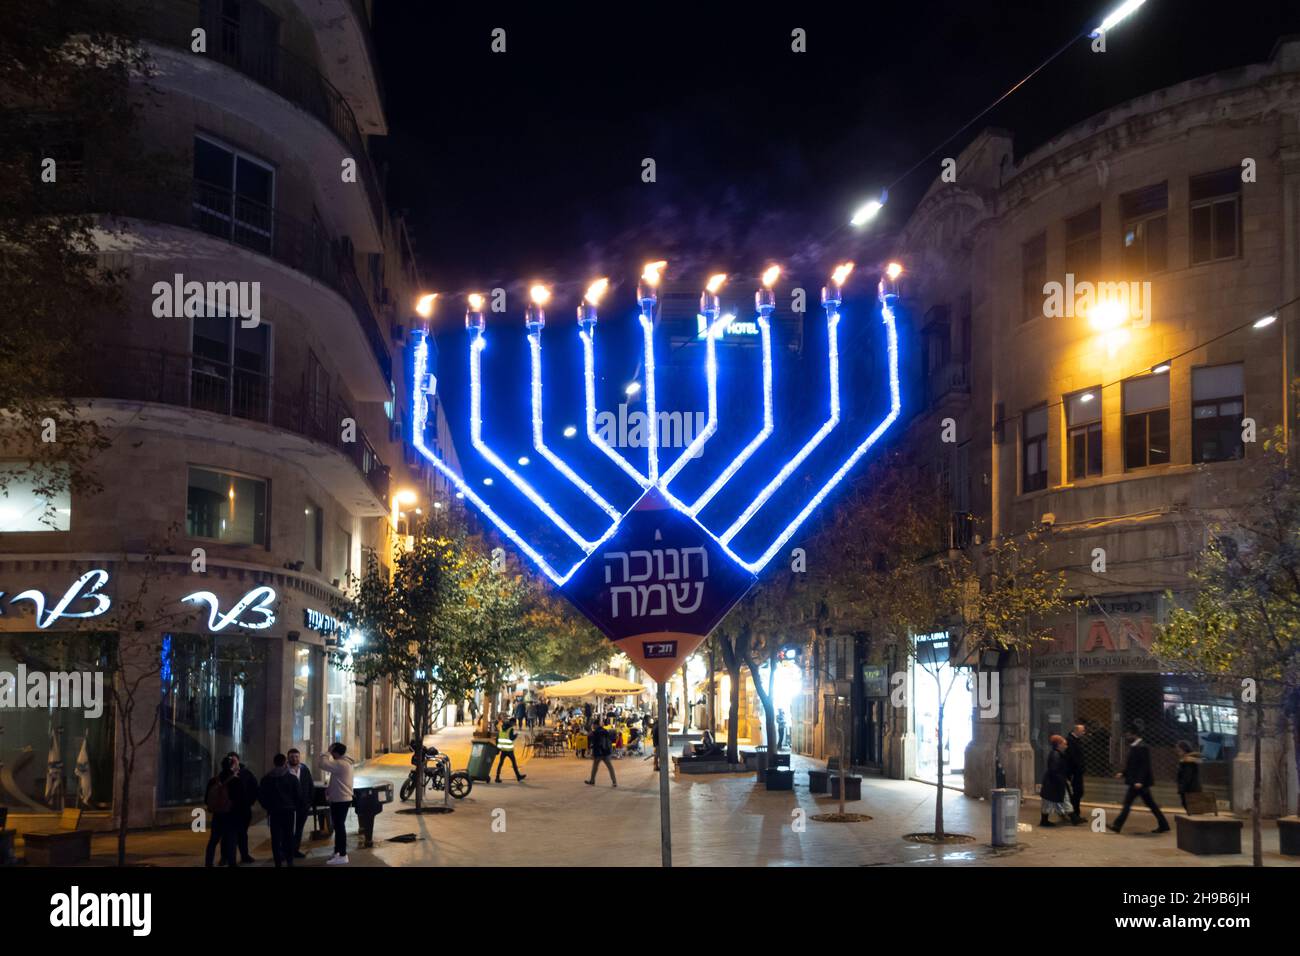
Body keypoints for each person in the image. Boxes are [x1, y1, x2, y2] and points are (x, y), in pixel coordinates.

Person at [1108, 729, 1170, 834]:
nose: (1127, 738)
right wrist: (1123, 773)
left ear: (1134, 735)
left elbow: (1143, 766)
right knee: (1151, 804)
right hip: (1138, 782)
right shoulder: (1136, 746)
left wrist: (1139, 781)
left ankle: (1117, 826)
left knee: (1128, 804)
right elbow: (1133, 765)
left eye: (1128, 735)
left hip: (1138, 782)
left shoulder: (1141, 747)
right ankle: (1164, 824)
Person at [316, 742, 355, 864]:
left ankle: (342, 854)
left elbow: (322, 764)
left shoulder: (341, 764)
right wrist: (330, 788)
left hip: (341, 800)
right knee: (339, 827)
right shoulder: (344, 763)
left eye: (332, 752)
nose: (331, 754)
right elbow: (336, 779)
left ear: (336, 753)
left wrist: (326, 752)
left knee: (339, 827)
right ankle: (338, 852)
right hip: (340, 798)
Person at [258, 754, 299, 867]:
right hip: (288, 812)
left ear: (274, 763)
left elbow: (261, 796)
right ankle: (290, 861)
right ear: (285, 763)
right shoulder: (292, 778)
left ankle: (278, 862)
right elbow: (298, 795)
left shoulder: (266, 779)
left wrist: (268, 807)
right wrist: (294, 806)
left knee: (275, 838)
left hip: (274, 812)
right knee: (288, 836)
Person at [203, 757, 239, 867]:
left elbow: (206, 799)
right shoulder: (236, 781)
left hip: (217, 815)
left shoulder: (213, 780)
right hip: (231, 815)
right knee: (231, 840)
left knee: (213, 840)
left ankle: (209, 863)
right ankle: (232, 863)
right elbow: (240, 800)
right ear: (232, 765)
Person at [226, 751, 258, 864]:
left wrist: (250, 802)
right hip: (229, 810)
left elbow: (254, 788)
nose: (233, 762)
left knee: (243, 834)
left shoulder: (246, 773)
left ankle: (244, 855)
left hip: (244, 809)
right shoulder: (225, 774)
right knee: (230, 836)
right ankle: (229, 859)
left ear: (238, 760)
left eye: (234, 760)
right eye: (230, 760)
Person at [285, 748, 314, 858]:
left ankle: (295, 850)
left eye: (296, 756)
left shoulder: (304, 769)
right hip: (289, 806)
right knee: (287, 830)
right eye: (292, 757)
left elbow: (310, 785)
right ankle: (286, 851)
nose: (295, 759)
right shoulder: (284, 770)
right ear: (288, 758)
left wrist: (309, 802)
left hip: (303, 806)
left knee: (299, 829)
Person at [1039, 735, 1072, 827]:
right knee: (1048, 802)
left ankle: (1047, 820)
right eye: (1064, 744)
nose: (1066, 746)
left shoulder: (1057, 754)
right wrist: (1061, 780)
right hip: (1052, 782)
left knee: (1051, 802)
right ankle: (1044, 821)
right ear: (1059, 745)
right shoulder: (1056, 755)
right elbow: (1054, 770)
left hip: (1053, 782)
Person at [1065, 722, 1087, 825]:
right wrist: (1077, 769)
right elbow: (1073, 758)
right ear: (1077, 731)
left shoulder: (1076, 740)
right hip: (1074, 772)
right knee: (1076, 793)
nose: (1084, 732)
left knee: (1078, 792)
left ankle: (1076, 814)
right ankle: (1074, 815)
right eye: (1082, 731)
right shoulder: (1070, 740)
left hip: (1077, 772)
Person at [586, 717, 617, 787]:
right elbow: (609, 740)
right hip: (606, 752)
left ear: (595, 725)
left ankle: (592, 780)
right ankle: (614, 782)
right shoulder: (605, 731)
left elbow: (595, 744)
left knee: (595, 767)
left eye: (593, 725)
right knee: (610, 767)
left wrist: (593, 754)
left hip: (599, 753)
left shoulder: (595, 732)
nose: (593, 726)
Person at [494, 718, 527, 783]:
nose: (515, 724)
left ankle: (497, 777)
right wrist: (516, 735)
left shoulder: (501, 728)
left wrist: (498, 748)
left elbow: (498, 738)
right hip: (509, 750)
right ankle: (518, 776)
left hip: (503, 749)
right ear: (512, 722)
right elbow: (511, 738)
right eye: (515, 723)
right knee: (514, 763)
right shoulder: (510, 729)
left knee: (500, 763)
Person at [1175, 740, 1203, 811]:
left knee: (1190, 808)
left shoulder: (1188, 761)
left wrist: (1182, 789)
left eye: (1179, 751)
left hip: (1189, 790)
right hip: (1192, 789)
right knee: (1191, 809)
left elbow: (1187, 777)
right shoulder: (1187, 760)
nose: (1178, 753)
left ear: (1184, 750)